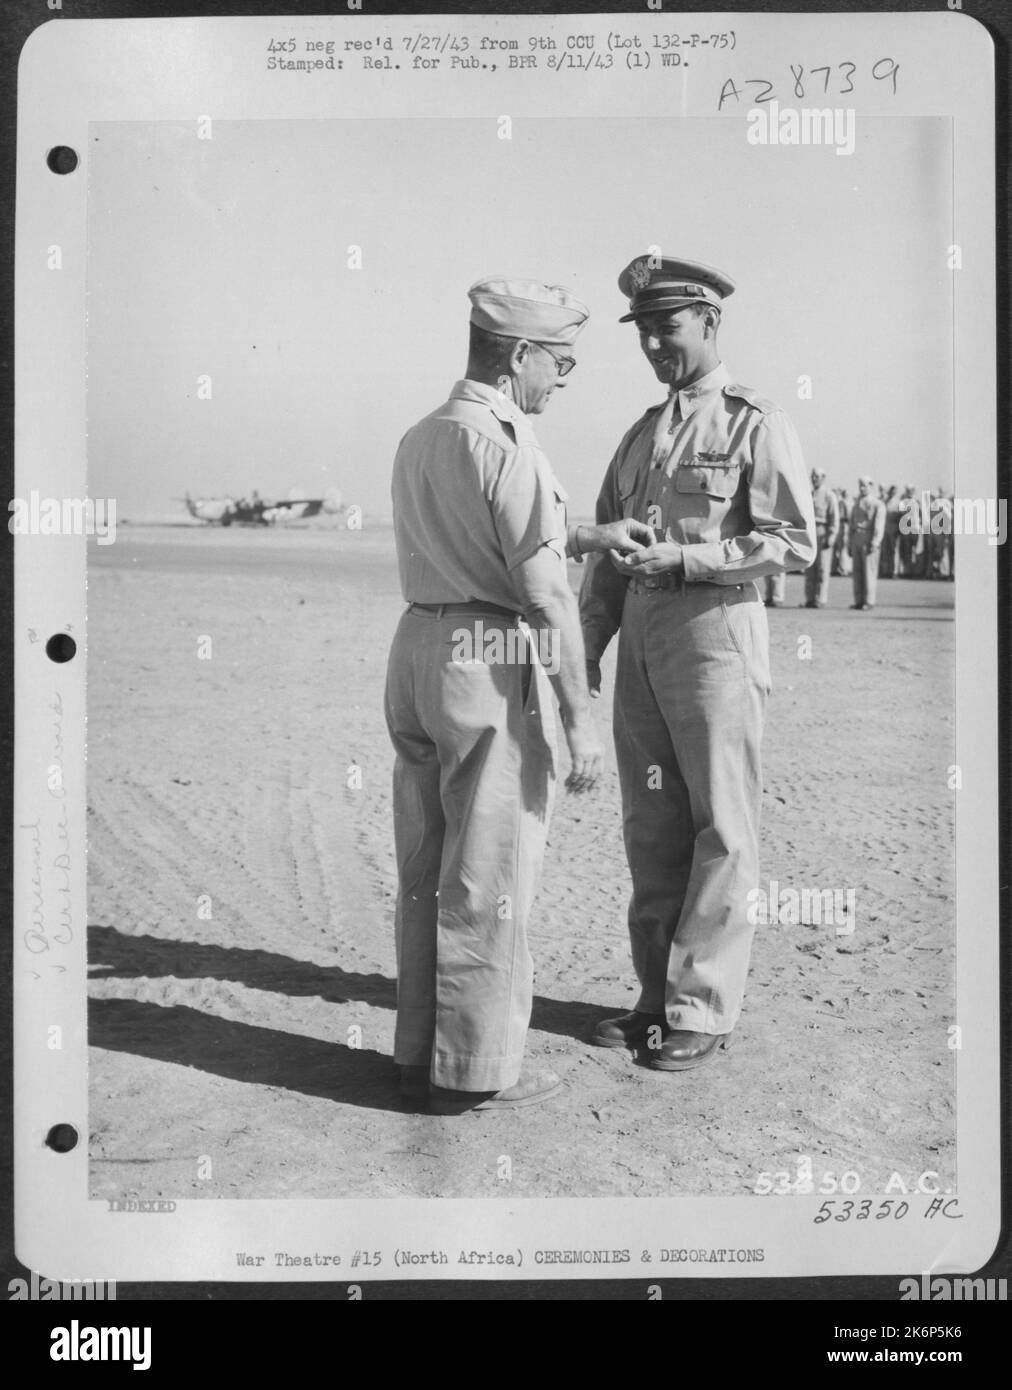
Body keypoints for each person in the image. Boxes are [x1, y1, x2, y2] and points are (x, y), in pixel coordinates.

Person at [385, 277, 650, 1113]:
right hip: (485, 653)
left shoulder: (424, 434)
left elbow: (492, 531)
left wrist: (593, 534)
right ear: (519, 356)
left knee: (426, 860)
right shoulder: (511, 445)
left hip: (419, 646)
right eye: (559, 363)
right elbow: (544, 598)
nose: (562, 379)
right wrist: (583, 724)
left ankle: (418, 1045)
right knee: (489, 869)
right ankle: (470, 1073)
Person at [579, 254, 816, 1072]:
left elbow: (793, 541)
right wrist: (589, 642)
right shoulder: (640, 432)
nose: (651, 343)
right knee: (653, 825)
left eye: (666, 327)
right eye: (642, 329)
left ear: (710, 322)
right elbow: (606, 549)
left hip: (714, 637)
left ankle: (703, 1007)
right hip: (644, 645)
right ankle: (656, 998)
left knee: (721, 824)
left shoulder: (756, 421)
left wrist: (689, 561)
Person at [802, 467, 840, 607]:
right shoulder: (809, 493)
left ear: (823, 478)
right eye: (812, 476)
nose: (814, 479)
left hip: (822, 532)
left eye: (817, 476)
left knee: (823, 568)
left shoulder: (829, 496)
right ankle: (810, 598)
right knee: (809, 567)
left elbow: (834, 518)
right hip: (809, 532)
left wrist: (832, 536)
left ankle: (821, 599)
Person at [848, 475, 886, 609]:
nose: (862, 488)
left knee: (869, 571)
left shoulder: (877, 504)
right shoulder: (856, 503)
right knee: (857, 572)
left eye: (865, 485)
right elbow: (851, 523)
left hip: (868, 538)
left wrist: (875, 542)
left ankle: (869, 601)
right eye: (860, 485)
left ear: (871, 486)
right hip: (857, 537)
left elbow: (879, 525)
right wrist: (849, 543)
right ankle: (859, 600)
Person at [832, 488, 852, 576]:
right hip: (840, 527)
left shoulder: (842, 502)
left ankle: (843, 568)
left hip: (843, 527)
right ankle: (838, 567)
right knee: (838, 549)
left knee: (842, 549)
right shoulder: (840, 502)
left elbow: (846, 516)